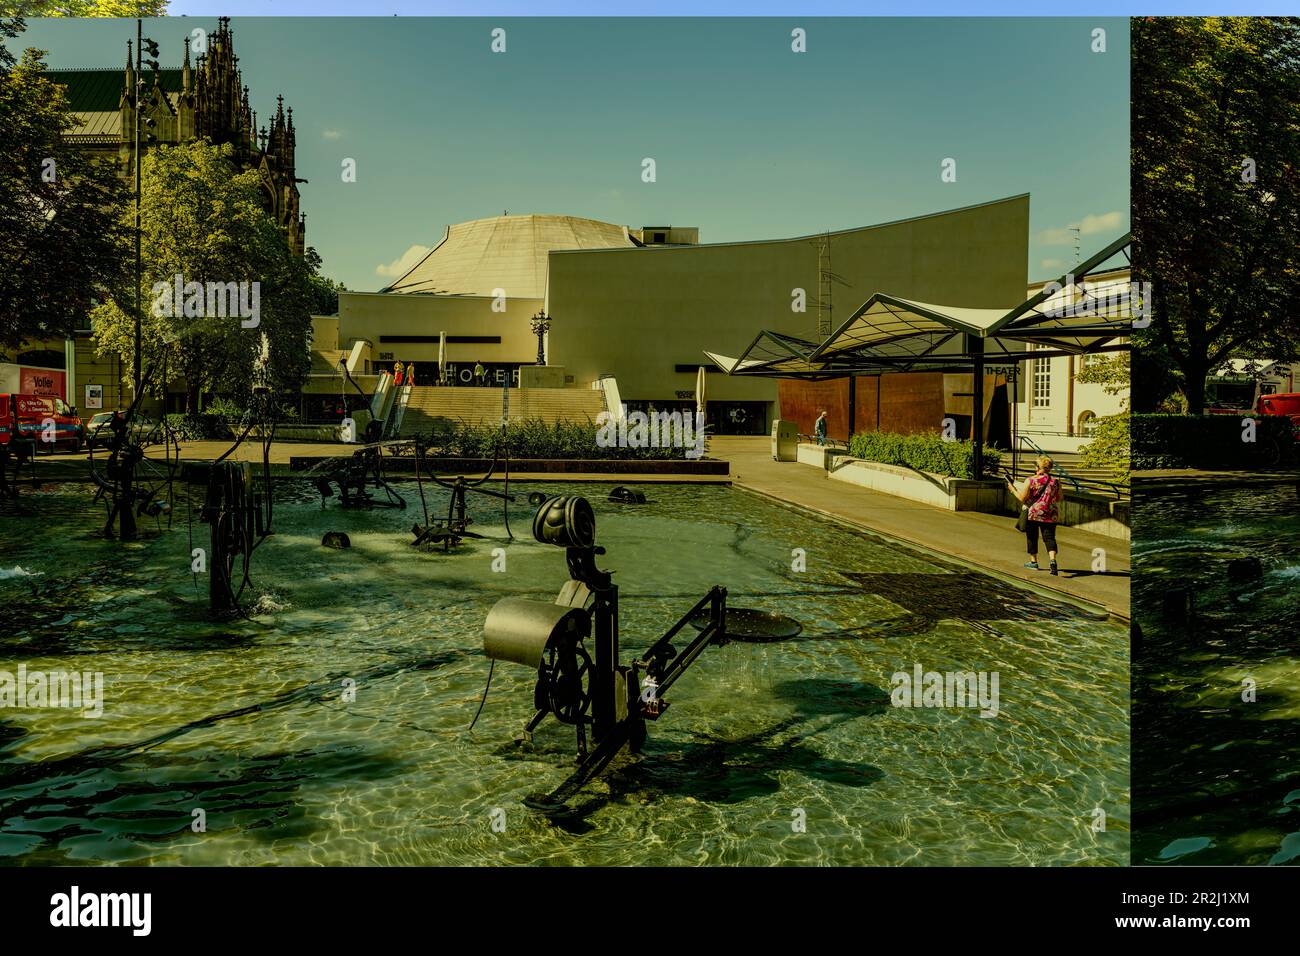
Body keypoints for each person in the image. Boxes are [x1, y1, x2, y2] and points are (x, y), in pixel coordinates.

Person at [1007, 456, 1062, 575]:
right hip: (1050, 513)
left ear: (1038, 467)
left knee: (1032, 536)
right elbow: (1059, 498)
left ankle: (1034, 562)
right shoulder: (1055, 481)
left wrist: (1012, 489)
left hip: (1034, 513)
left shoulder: (1031, 480)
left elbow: (1022, 498)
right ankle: (1053, 561)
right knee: (1049, 537)